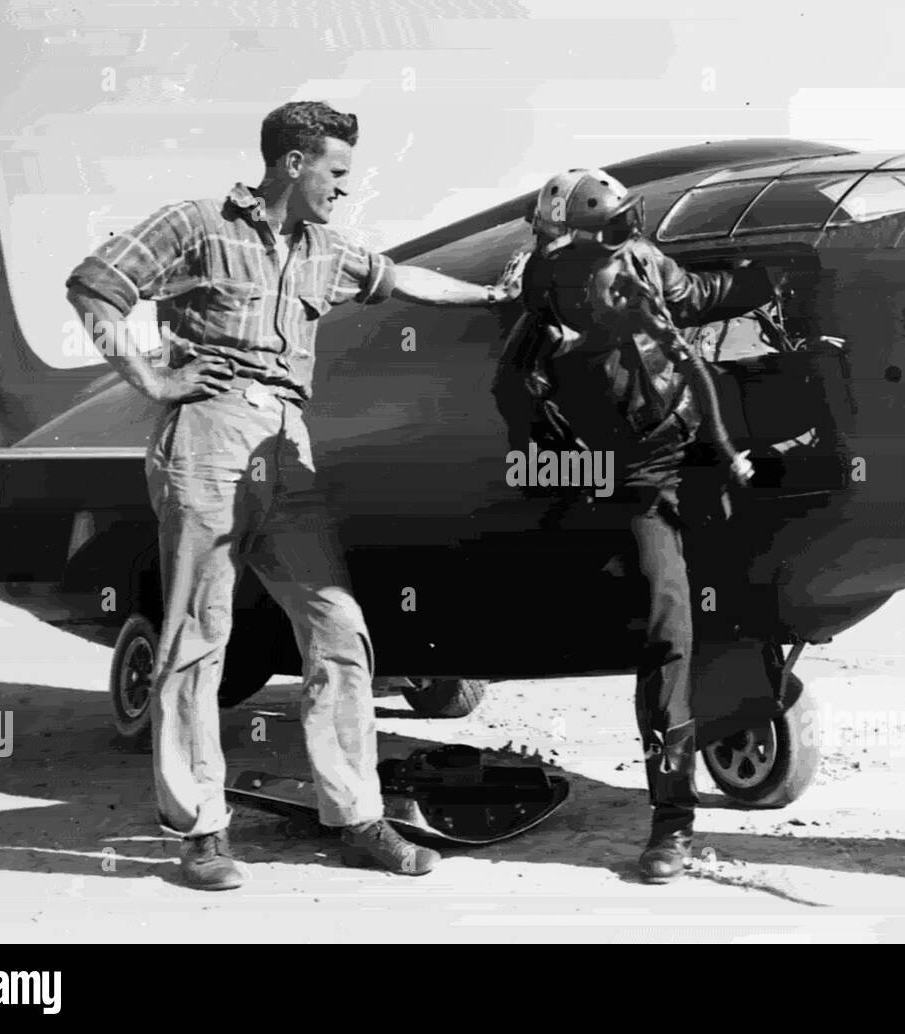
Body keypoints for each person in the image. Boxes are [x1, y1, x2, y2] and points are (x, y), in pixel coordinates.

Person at [65, 101, 523, 890]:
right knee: (198, 634)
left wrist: (490, 297)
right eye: (337, 172)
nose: (346, 188)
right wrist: (151, 377)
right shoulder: (199, 223)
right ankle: (201, 830)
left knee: (339, 629)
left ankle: (355, 815)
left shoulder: (325, 249)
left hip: (289, 442)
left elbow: (400, 278)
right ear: (291, 164)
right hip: (206, 433)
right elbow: (96, 287)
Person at [497, 168, 775, 883]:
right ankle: (671, 824)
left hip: (703, 454)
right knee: (666, 634)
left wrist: (757, 283)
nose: (628, 241)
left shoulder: (643, 263)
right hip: (640, 481)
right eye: (613, 230)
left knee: (747, 598)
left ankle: (748, 723)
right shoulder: (546, 296)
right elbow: (514, 386)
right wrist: (554, 456)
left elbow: (691, 296)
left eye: (629, 225)